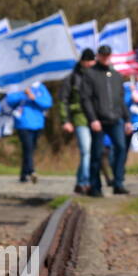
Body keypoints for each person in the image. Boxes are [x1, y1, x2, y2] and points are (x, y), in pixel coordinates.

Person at [82, 44, 128, 196]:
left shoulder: (116, 76)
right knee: (97, 153)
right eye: (103, 55)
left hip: (124, 121)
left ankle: (119, 182)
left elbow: (121, 100)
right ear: (98, 56)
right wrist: (92, 119)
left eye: (108, 55)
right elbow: (86, 99)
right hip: (99, 120)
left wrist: (128, 119)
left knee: (123, 147)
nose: (106, 57)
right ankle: (95, 186)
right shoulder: (90, 74)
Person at [59, 49, 96, 195]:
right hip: (80, 118)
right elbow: (64, 100)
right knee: (86, 151)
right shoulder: (73, 78)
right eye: (88, 60)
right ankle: (85, 182)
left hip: (96, 118)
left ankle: (80, 181)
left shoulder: (96, 77)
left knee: (92, 152)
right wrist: (65, 120)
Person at [5, 80, 53, 183]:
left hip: (38, 123)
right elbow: (10, 100)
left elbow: (47, 103)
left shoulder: (40, 87)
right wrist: (23, 94)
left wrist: (34, 97)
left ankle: (24, 174)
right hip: (23, 123)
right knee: (28, 147)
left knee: (30, 149)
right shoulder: (18, 85)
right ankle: (31, 171)